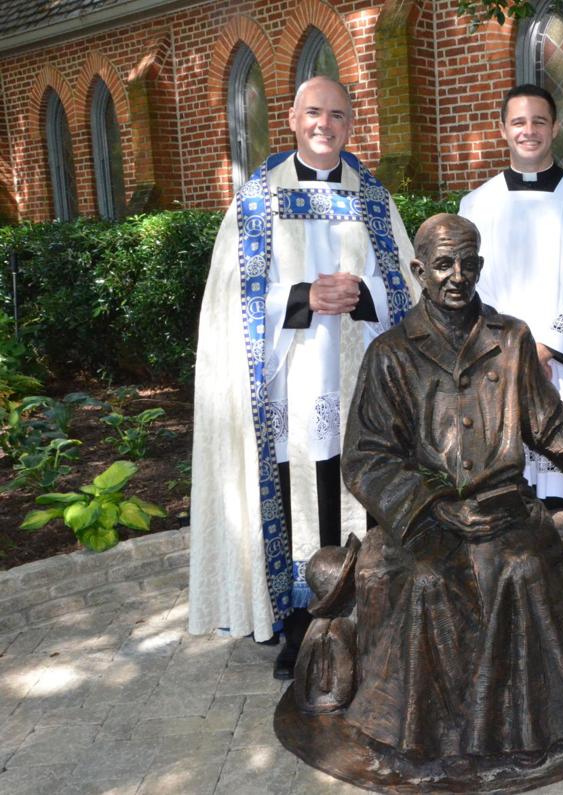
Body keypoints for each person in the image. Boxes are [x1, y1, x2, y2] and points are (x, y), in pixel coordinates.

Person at [336, 213, 563, 788]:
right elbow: (366, 455)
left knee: (524, 569)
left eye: (469, 263)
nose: (458, 276)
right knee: (431, 581)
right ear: (419, 271)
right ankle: (431, 739)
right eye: (442, 264)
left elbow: (545, 421)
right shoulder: (391, 353)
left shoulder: (511, 339)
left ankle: (529, 731)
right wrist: (426, 505)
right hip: (426, 514)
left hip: (504, 507)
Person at [187, 76, 420, 679]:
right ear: (291, 119)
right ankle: (302, 626)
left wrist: (364, 293)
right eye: (313, 112)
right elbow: (229, 300)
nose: (325, 124)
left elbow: (409, 290)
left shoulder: (374, 199)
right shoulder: (259, 198)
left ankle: (365, 617)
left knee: (359, 497)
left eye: (338, 114)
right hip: (288, 388)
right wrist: (302, 295)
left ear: (351, 123)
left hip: (361, 390)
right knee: (298, 501)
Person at [459, 84, 563, 509]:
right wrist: (514, 353)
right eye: (518, 122)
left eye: (538, 121)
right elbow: (467, 289)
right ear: (502, 130)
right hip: (500, 367)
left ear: (554, 128)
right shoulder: (476, 206)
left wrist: (546, 350)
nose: (528, 130)